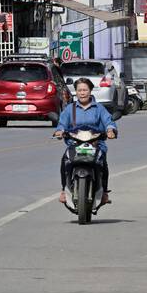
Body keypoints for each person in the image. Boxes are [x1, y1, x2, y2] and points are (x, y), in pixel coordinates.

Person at [54, 77, 118, 206]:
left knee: (102, 164)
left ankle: (104, 192)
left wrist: (110, 130)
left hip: (95, 143)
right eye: (79, 90)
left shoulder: (99, 108)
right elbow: (62, 123)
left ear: (90, 91)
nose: (82, 93)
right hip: (74, 143)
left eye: (85, 90)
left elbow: (109, 122)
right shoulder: (70, 109)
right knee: (65, 162)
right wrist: (59, 131)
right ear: (76, 92)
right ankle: (63, 191)